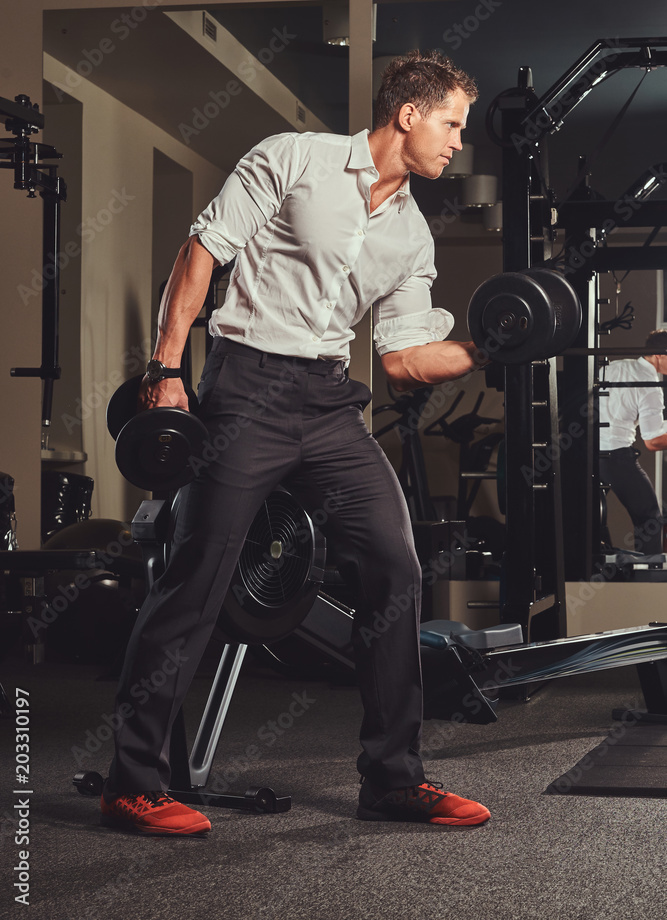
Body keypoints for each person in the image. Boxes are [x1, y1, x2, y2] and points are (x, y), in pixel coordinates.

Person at [100, 49, 491, 836]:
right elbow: (202, 251)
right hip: (246, 388)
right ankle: (132, 783)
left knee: (394, 564)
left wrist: (496, 347)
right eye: (450, 124)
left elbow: (404, 360)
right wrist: (166, 370)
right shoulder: (293, 158)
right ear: (407, 114)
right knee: (197, 578)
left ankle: (391, 778)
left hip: (327, 404)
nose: (457, 143)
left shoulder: (412, 233)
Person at [599, 330, 667, 556]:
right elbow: (653, 441)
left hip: (588, 454)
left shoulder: (615, 367)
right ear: (660, 355)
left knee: (588, 515)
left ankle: (592, 562)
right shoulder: (651, 386)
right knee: (650, 518)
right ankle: (651, 579)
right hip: (616, 457)